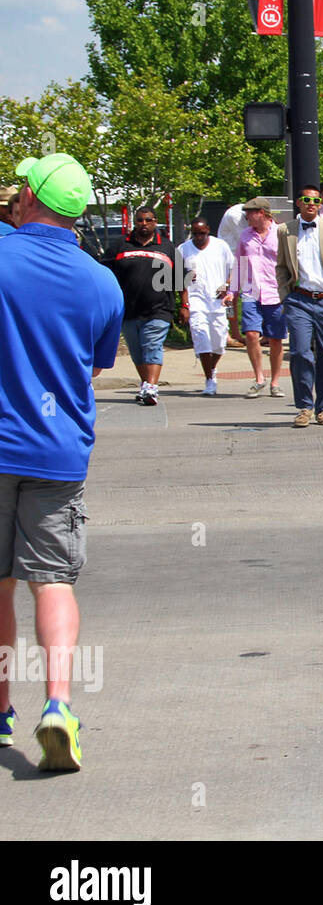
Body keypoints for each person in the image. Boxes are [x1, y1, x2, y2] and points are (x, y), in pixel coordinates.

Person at [0, 153, 124, 771]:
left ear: (26, 193)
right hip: (57, 451)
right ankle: (57, 704)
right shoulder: (101, 281)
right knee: (52, 579)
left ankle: (1, 710)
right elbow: (97, 366)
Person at [276, 184, 323, 428]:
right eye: (306, 199)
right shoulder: (285, 230)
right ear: (298, 203)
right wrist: (285, 295)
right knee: (299, 353)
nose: (311, 204)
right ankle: (304, 406)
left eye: (316, 200)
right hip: (299, 299)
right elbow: (281, 266)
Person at [103, 205, 177, 406]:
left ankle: (151, 388)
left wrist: (184, 305)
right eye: (140, 220)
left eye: (148, 220)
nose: (144, 224)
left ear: (155, 222)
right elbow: (104, 274)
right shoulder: (120, 247)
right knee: (137, 352)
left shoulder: (167, 247)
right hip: (128, 310)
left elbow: (179, 278)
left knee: (152, 345)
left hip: (159, 309)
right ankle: (146, 385)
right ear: (134, 223)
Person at [177, 216, 236, 395]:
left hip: (217, 302)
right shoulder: (183, 249)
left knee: (219, 344)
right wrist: (184, 304)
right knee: (202, 340)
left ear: (208, 230)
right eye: (195, 234)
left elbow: (233, 270)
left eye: (202, 233)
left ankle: (211, 368)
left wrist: (226, 285)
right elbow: (178, 280)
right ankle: (210, 380)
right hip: (196, 301)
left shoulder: (221, 246)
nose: (199, 237)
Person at [236, 197, 287, 399]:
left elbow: (291, 261)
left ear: (262, 213)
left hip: (275, 292)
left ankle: (275, 381)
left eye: (250, 212)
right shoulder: (244, 236)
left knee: (275, 339)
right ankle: (259, 378)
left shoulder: (281, 233)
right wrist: (232, 291)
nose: (247, 216)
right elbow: (239, 263)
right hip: (251, 291)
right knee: (251, 334)